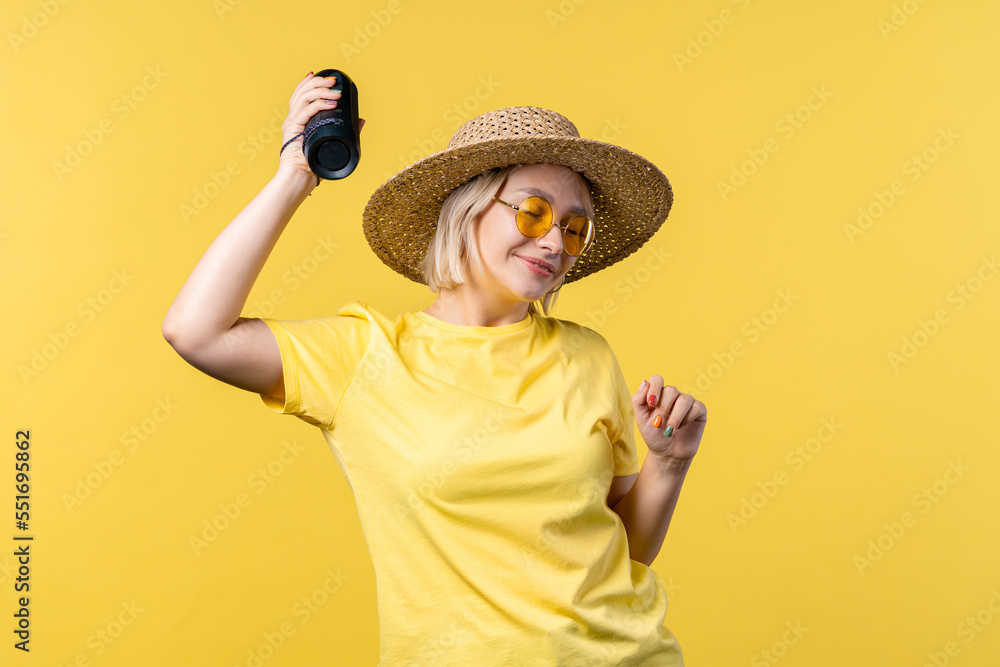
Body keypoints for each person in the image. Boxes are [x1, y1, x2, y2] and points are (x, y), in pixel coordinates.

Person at [163, 71, 707, 666]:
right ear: (469, 211)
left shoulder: (588, 355)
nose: (555, 240)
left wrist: (670, 462)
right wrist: (295, 175)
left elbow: (625, 546)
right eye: (532, 212)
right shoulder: (366, 357)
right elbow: (197, 331)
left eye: (574, 227)